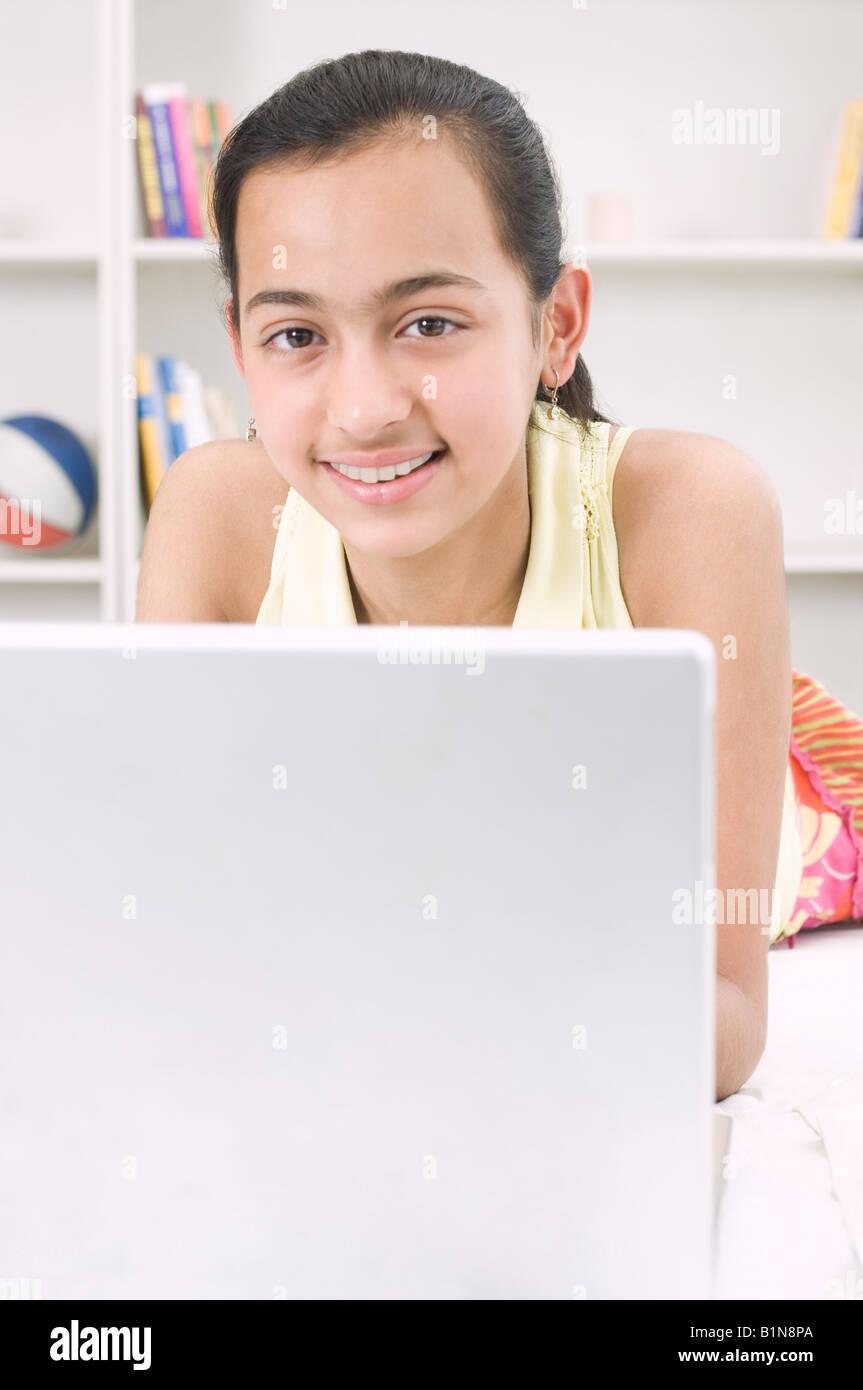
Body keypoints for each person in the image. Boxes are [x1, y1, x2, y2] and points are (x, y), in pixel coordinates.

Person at [137, 49, 863, 1102]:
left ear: (553, 325)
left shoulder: (691, 510)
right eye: (295, 333)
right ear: (240, 351)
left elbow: (722, 1012)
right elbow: (173, 935)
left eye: (428, 323)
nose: (364, 407)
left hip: (803, 817)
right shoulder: (214, 515)